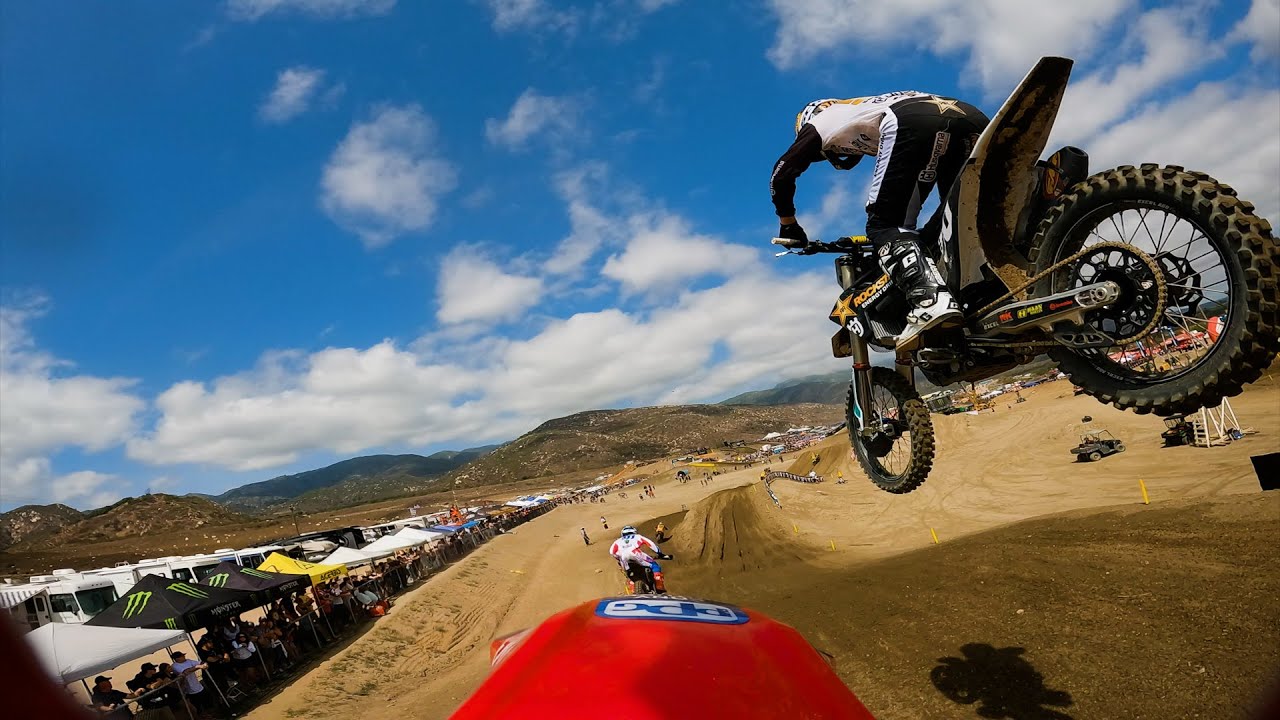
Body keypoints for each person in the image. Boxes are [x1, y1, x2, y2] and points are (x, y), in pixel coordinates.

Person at [770, 92, 990, 350]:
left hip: (910, 119)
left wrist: (789, 224)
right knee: (957, 211)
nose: (833, 153)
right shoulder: (864, 107)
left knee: (885, 226)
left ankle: (930, 300)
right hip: (970, 115)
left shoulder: (821, 120)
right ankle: (985, 285)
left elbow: (781, 175)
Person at [609, 526, 671, 594]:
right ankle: (659, 586)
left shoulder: (617, 541)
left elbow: (612, 552)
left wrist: (619, 559)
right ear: (634, 531)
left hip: (624, 558)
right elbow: (650, 544)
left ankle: (632, 588)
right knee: (655, 566)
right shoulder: (637, 536)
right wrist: (660, 553)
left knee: (628, 574)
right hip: (636, 554)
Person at [169, 651, 211, 716]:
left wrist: (204, 664)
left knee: (207, 702)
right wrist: (198, 667)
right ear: (177, 658)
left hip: (199, 686)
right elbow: (185, 671)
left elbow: (199, 662)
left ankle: (209, 714)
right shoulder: (175, 666)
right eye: (182, 656)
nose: (184, 657)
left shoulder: (188, 661)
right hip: (189, 690)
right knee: (197, 707)